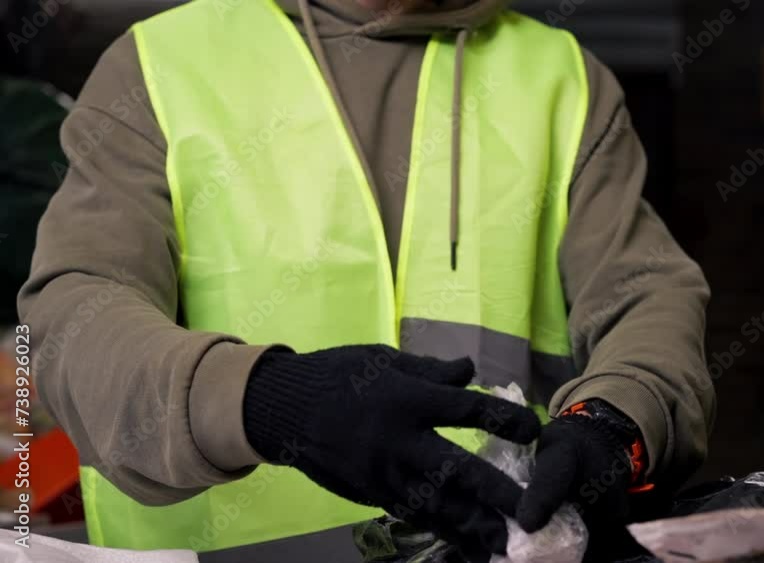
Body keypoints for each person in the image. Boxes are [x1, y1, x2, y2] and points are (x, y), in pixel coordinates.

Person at [18, 0, 715, 559]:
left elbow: (646, 296)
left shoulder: (565, 81)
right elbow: (78, 317)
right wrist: (268, 401)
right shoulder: (158, 67)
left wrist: (615, 417)